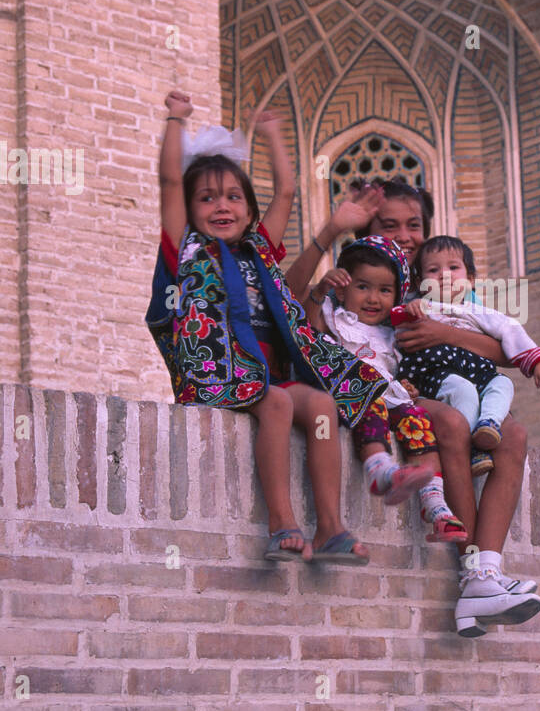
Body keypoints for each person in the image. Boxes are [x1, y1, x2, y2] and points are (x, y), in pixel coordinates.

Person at [286, 177, 540, 636]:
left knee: (516, 434)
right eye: (390, 225)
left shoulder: (441, 283)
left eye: (414, 224)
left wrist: (446, 334)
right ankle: (472, 573)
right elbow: (300, 311)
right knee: (447, 420)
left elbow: (502, 349)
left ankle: (487, 570)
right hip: (408, 391)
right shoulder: (361, 288)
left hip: (457, 384)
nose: (404, 235)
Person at [146, 90, 390, 565]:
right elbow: (169, 180)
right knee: (277, 402)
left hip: (264, 372)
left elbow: (286, 193)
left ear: (248, 209)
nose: (223, 206)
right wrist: (176, 120)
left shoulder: (258, 251)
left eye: (234, 197)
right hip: (216, 371)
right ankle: (282, 524)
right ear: (192, 209)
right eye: (208, 198)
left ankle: (331, 528)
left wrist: (275, 135)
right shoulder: (187, 250)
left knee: (320, 403)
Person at [303, 236, 466, 543]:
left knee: (417, 419)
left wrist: (406, 385)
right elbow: (309, 329)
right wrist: (319, 291)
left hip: (389, 394)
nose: (373, 298)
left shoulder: (392, 333)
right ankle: (379, 468)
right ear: (343, 288)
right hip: (353, 392)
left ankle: (437, 507)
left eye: (384, 290)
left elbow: (398, 369)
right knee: (373, 402)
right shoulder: (336, 317)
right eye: (362, 287)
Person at [400, 234, 540, 476]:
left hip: (479, 374)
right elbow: (399, 329)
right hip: (439, 375)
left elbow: (510, 329)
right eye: (434, 270)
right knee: (463, 391)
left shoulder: (479, 312)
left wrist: (539, 364)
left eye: (454, 268)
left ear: (471, 279)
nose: (444, 275)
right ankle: (471, 449)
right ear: (420, 282)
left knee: (503, 383)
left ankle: (488, 425)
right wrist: (410, 311)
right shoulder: (423, 308)